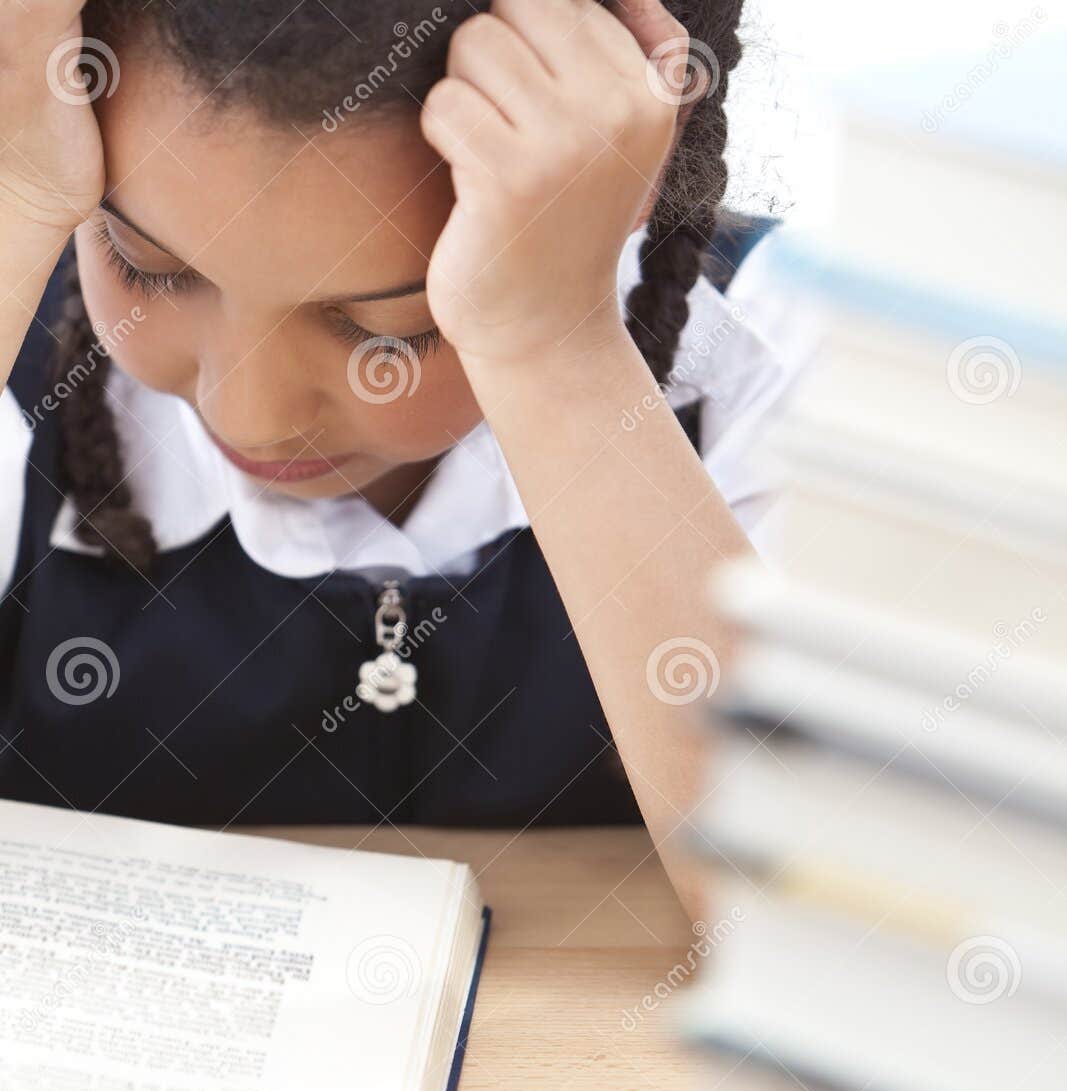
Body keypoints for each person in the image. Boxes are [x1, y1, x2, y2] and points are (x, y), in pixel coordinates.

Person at [0, 0, 805, 910]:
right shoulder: (22, 322)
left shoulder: (781, 363)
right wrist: (18, 203)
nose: (252, 417)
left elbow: (800, 920)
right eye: (149, 266)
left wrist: (556, 346)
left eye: (389, 327)